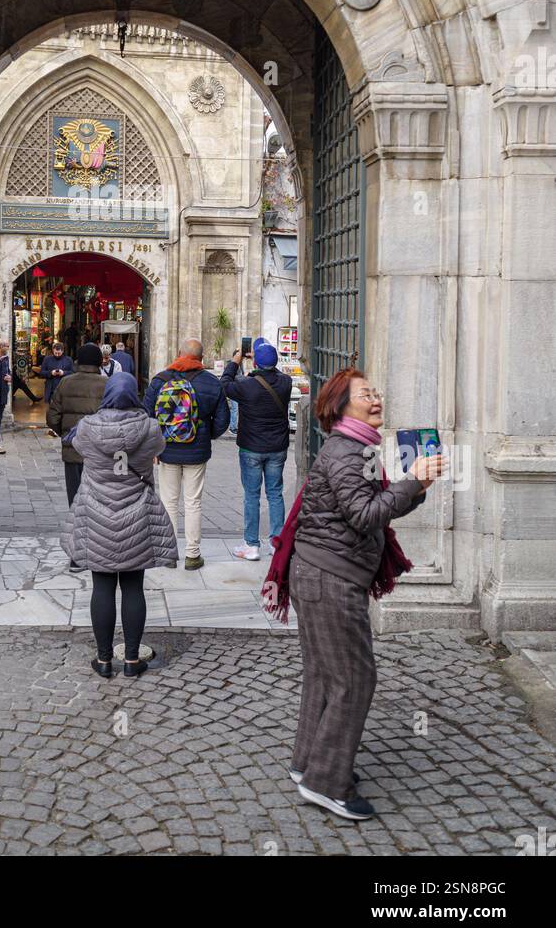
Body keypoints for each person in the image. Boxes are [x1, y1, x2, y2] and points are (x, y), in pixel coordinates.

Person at [264, 367, 444, 822]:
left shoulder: (357, 447)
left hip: (324, 573)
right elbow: (365, 516)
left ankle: (309, 764)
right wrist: (412, 482)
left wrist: (413, 486)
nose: (376, 398)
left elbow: (370, 508)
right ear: (342, 405)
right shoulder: (347, 453)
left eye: (377, 391)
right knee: (355, 680)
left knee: (325, 676)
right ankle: (327, 783)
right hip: (330, 579)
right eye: (366, 394)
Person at [61, 372, 177, 677]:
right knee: (133, 586)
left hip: (97, 516)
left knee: (101, 586)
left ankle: (102, 660)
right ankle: (130, 660)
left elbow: (76, 444)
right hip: (136, 516)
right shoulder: (150, 430)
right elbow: (160, 449)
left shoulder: (87, 429)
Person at [143, 336, 230, 570]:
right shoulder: (212, 383)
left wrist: (154, 444)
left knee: (169, 501)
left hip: (166, 450)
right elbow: (223, 420)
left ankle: (169, 554)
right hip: (197, 451)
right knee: (193, 503)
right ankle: (193, 555)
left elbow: (146, 414)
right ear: (201, 358)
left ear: (178, 354)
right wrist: (204, 434)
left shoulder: (160, 380)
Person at [221, 338, 292, 560]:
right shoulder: (286, 382)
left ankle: (251, 544)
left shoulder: (245, 385)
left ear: (254, 362)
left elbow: (224, 384)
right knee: (275, 493)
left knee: (252, 495)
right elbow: (275, 374)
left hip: (251, 447)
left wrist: (235, 361)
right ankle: (276, 542)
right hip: (277, 448)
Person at [46, 342, 106, 508]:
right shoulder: (107, 384)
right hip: (98, 450)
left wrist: (66, 434)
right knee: (96, 498)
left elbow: (52, 416)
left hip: (72, 448)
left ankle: (76, 529)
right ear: (99, 362)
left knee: (75, 499)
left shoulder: (66, 382)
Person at [39, 340, 74, 434]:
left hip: (64, 389)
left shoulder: (68, 360)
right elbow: (41, 372)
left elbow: (73, 373)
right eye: (55, 353)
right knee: (51, 410)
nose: (57, 355)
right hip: (51, 389)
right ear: (53, 351)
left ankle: (61, 427)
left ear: (62, 351)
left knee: (63, 409)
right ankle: (52, 428)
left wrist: (64, 373)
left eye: (59, 353)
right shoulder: (47, 359)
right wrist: (51, 373)